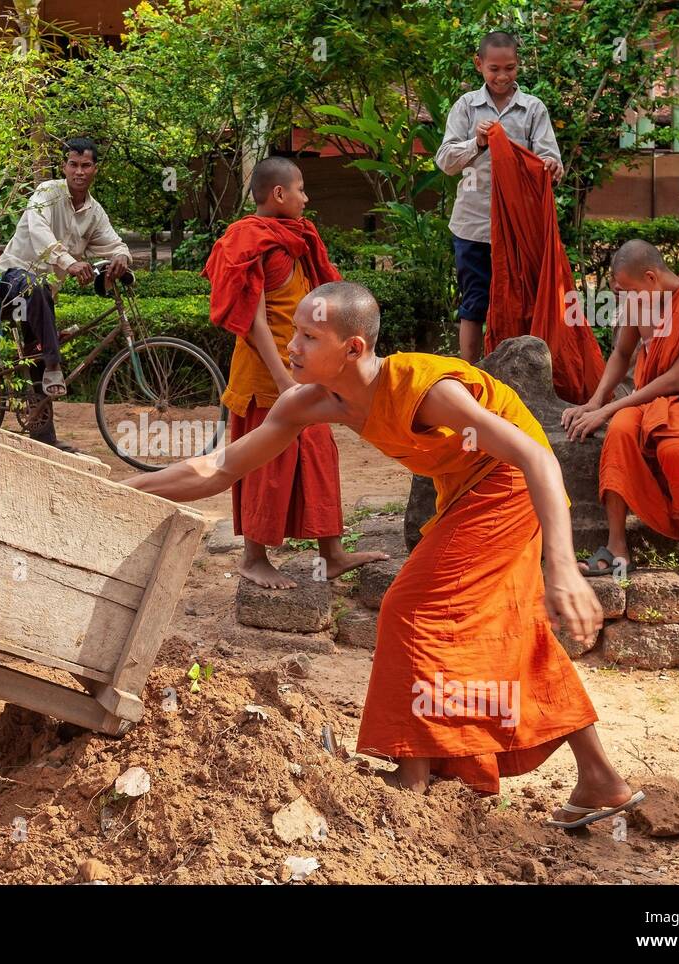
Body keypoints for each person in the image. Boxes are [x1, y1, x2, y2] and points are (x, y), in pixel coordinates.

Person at [126, 280, 643, 825]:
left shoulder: (427, 390)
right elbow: (221, 467)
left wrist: (561, 566)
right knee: (514, 630)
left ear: (354, 348)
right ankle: (600, 780)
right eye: (294, 333)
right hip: (465, 492)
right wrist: (127, 492)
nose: (291, 347)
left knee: (409, 608)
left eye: (307, 336)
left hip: (510, 486)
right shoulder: (307, 401)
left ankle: (413, 772)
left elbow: (537, 459)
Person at [204, 156, 383, 588]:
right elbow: (253, 320)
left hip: (305, 368)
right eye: (301, 189)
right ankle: (253, 557)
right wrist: (284, 378)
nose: (307, 197)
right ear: (279, 194)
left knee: (318, 454)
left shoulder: (297, 237)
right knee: (266, 462)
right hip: (268, 374)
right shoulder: (249, 242)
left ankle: (332, 553)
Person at [564, 239, 679, 581]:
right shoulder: (640, 301)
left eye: (627, 289)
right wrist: (596, 402)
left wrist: (611, 406)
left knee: (672, 447)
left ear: (651, 278)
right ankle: (616, 549)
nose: (624, 298)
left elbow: (674, 380)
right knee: (619, 430)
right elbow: (621, 355)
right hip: (647, 398)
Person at [0, 137, 132, 450]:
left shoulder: (93, 213)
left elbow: (113, 242)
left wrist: (122, 256)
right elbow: (38, 230)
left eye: (86, 165)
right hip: (12, 280)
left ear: (95, 169)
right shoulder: (47, 193)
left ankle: (45, 440)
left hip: (41, 297)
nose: (79, 171)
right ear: (64, 167)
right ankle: (55, 365)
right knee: (38, 289)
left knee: (37, 353)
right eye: (73, 164)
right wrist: (68, 262)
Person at [435, 30, 563, 365]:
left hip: (520, 229)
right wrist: (475, 144)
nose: (502, 76)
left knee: (520, 303)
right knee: (474, 304)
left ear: (518, 65)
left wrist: (550, 165)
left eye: (509, 68)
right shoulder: (466, 108)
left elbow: (551, 161)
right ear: (479, 64)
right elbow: (445, 161)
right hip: (473, 226)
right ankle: (469, 375)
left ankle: (517, 376)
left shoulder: (533, 109)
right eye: (494, 69)